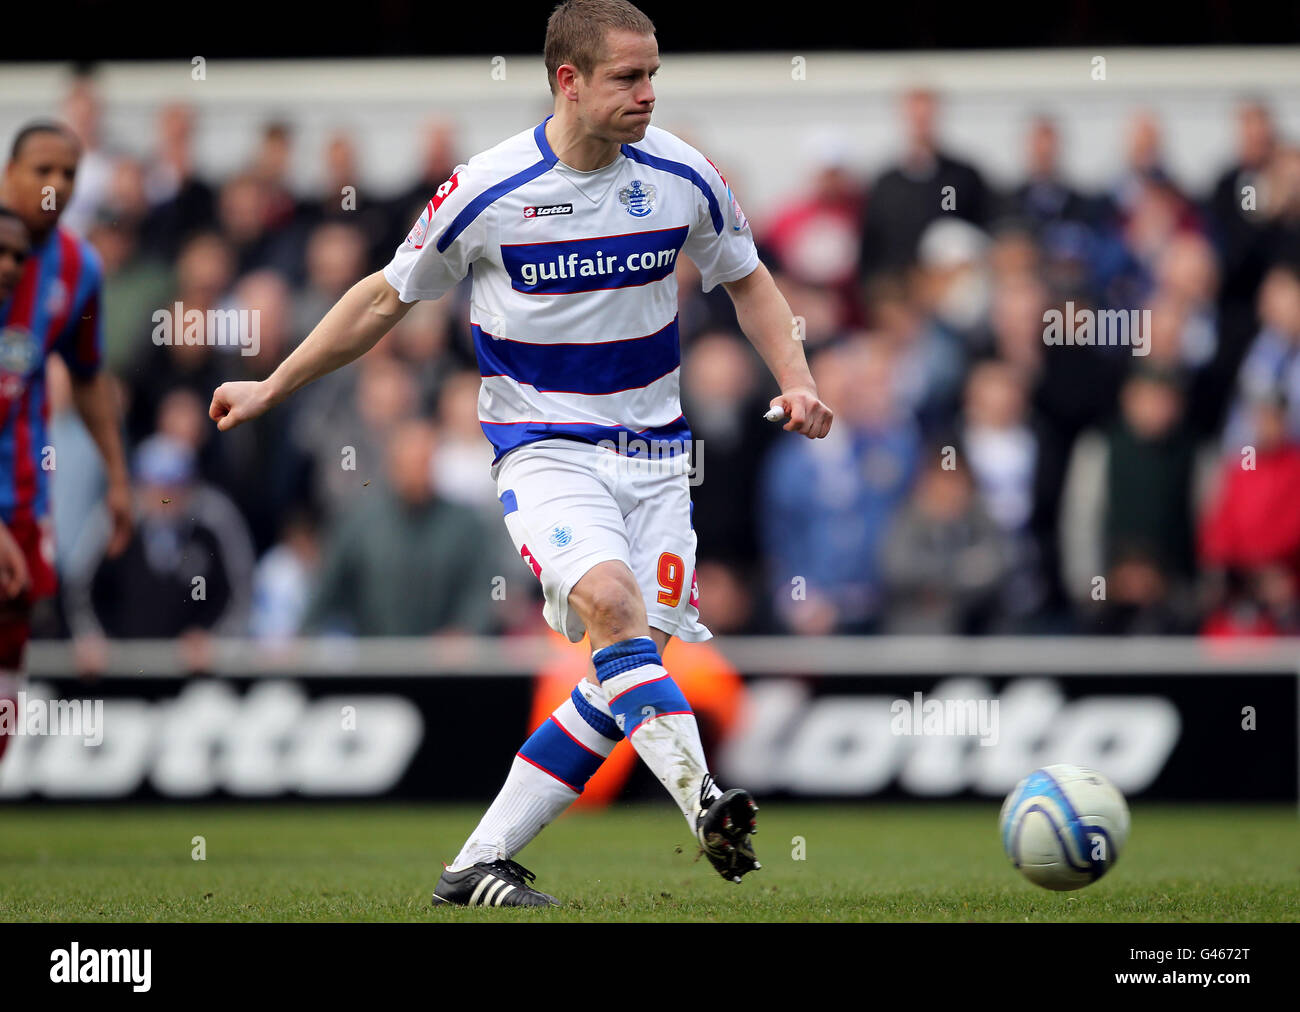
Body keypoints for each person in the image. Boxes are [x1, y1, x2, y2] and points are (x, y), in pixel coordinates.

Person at [209, 0, 832, 907]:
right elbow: (384, 300)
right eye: (628, 76)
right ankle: (704, 804)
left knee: (625, 675)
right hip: (545, 450)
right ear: (568, 81)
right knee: (613, 609)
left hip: (659, 459)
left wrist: (798, 378)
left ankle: (475, 864)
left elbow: (749, 278)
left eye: (654, 73)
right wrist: (272, 386)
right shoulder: (487, 190)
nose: (648, 93)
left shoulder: (682, 175)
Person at [0, 121, 133, 761]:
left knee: (10, 658)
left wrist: (117, 477)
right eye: (41, 170)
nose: (56, 185)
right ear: (8, 174)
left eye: (69, 174)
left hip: (23, 496)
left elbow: (86, 379)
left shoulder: (79, 267)